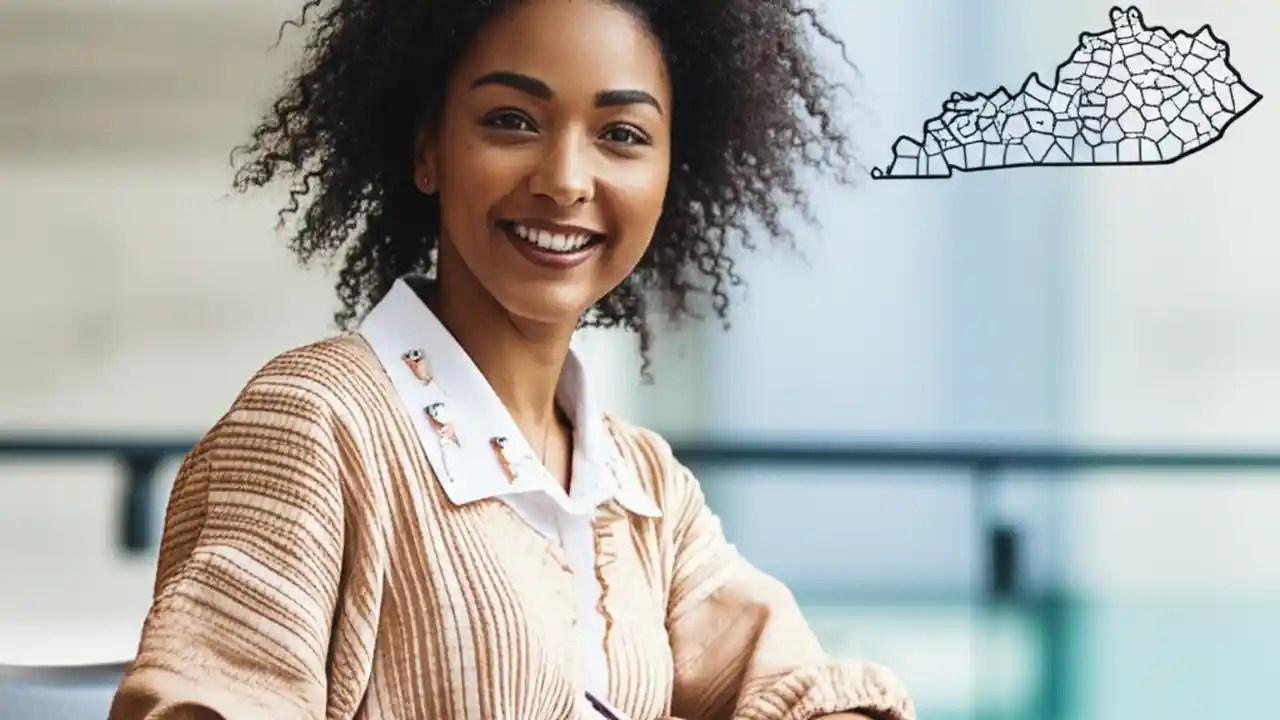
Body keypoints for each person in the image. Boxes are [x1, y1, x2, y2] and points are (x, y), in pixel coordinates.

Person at [109, 1, 916, 718]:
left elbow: (794, 684)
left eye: (622, 136)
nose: (565, 181)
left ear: (672, 174)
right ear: (429, 151)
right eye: (511, 121)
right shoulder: (316, 423)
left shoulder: (642, 487)